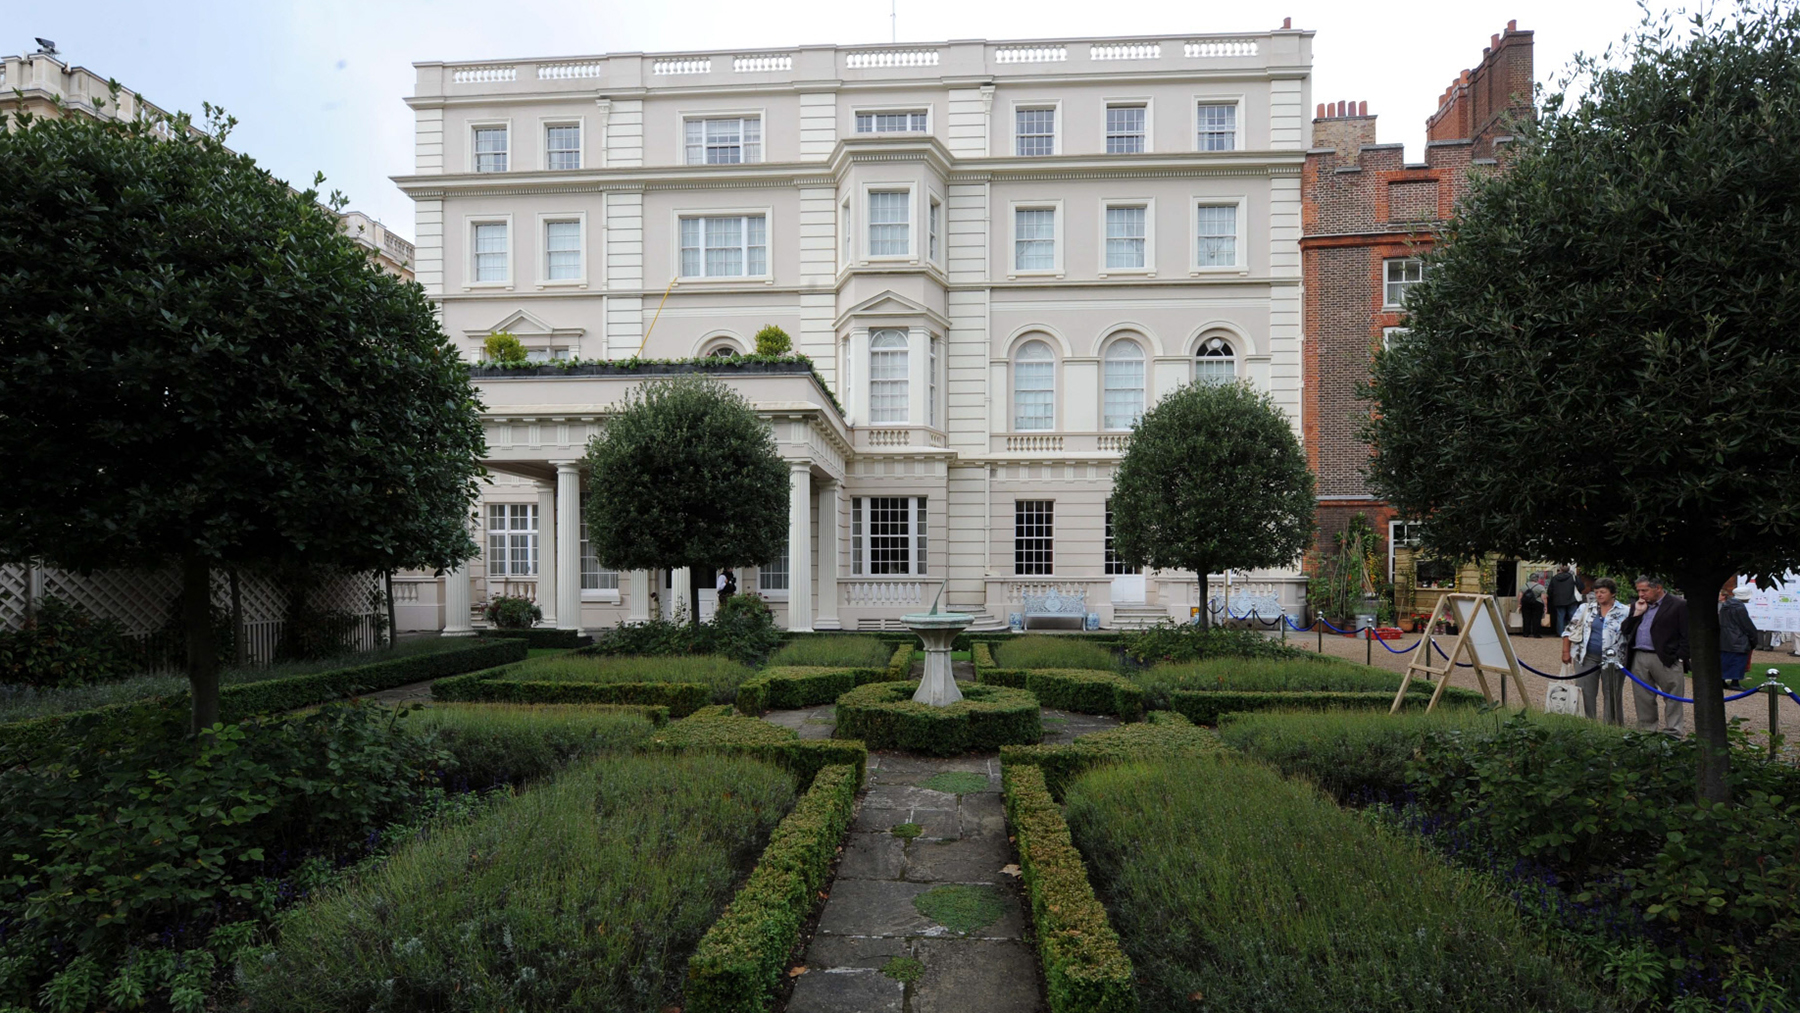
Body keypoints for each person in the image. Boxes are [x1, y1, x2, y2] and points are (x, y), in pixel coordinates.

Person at [1619, 576, 1690, 736]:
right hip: (1639, 656)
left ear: (1658, 588)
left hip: (1666, 658)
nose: (1641, 594)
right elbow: (1625, 630)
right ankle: (1646, 730)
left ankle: (1673, 732)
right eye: (1638, 590)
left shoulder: (1678, 605)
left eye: (1645, 590)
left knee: (1673, 696)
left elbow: (1687, 634)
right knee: (1643, 697)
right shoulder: (1638, 605)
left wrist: (1680, 656)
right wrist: (1637, 613)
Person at [1561, 577, 1631, 723]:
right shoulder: (1585, 608)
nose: (1599, 595)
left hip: (1614, 659)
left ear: (1612, 593)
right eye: (1597, 592)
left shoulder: (1625, 611)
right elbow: (1569, 630)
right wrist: (1566, 651)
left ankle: (1611, 725)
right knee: (1586, 692)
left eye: (1603, 592)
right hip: (1586, 656)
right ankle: (1587, 723)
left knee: (1612, 693)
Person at [1718, 584, 1758, 690]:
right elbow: (1746, 625)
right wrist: (1753, 636)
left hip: (1725, 638)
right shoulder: (1739, 607)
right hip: (1737, 638)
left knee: (1725, 660)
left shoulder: (1726, 606)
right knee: (1738, 661)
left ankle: (1722, 680)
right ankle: (1735, 682)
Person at [1547, 564, 1580, 639]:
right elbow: (1581, 586)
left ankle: (1560, 632)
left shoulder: (1555, 578)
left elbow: (1550, 590)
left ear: (1560, 570)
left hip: (1558, 600)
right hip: (1572, 599)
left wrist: (1552, 598)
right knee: (1573, 616)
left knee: (1560, 616)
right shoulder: (1573, 577)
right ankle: (1574, 632)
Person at [1518, 572, 1547, 638]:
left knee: (1526, 618)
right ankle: (1536, 634)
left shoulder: (1524, 586)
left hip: (1526, 603)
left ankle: (1526, 633)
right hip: (1537, 603)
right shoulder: (1540, 587)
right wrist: (1545, 606)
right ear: (1537, 579)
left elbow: (1520, 596)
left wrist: (1520, 604)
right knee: (1537, 618)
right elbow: (1544, 598)